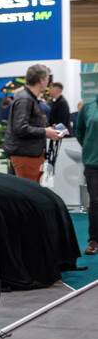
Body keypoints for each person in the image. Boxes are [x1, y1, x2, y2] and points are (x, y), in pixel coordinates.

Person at [4, 64, 62, 183]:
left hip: (29, 155)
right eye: (47, 78)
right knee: (28, 196)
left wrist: (47, 130)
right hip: (26, 156)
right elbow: (20, 128)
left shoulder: (28, 98)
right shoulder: (25, 99)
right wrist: (45, 131)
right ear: (41, 80)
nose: (48, 82)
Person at [73, 93, 98, 255]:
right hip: (93, 162)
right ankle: (94, 240)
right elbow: (79, 131)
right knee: (95, 201)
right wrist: (89, 148)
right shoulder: (88, 107)